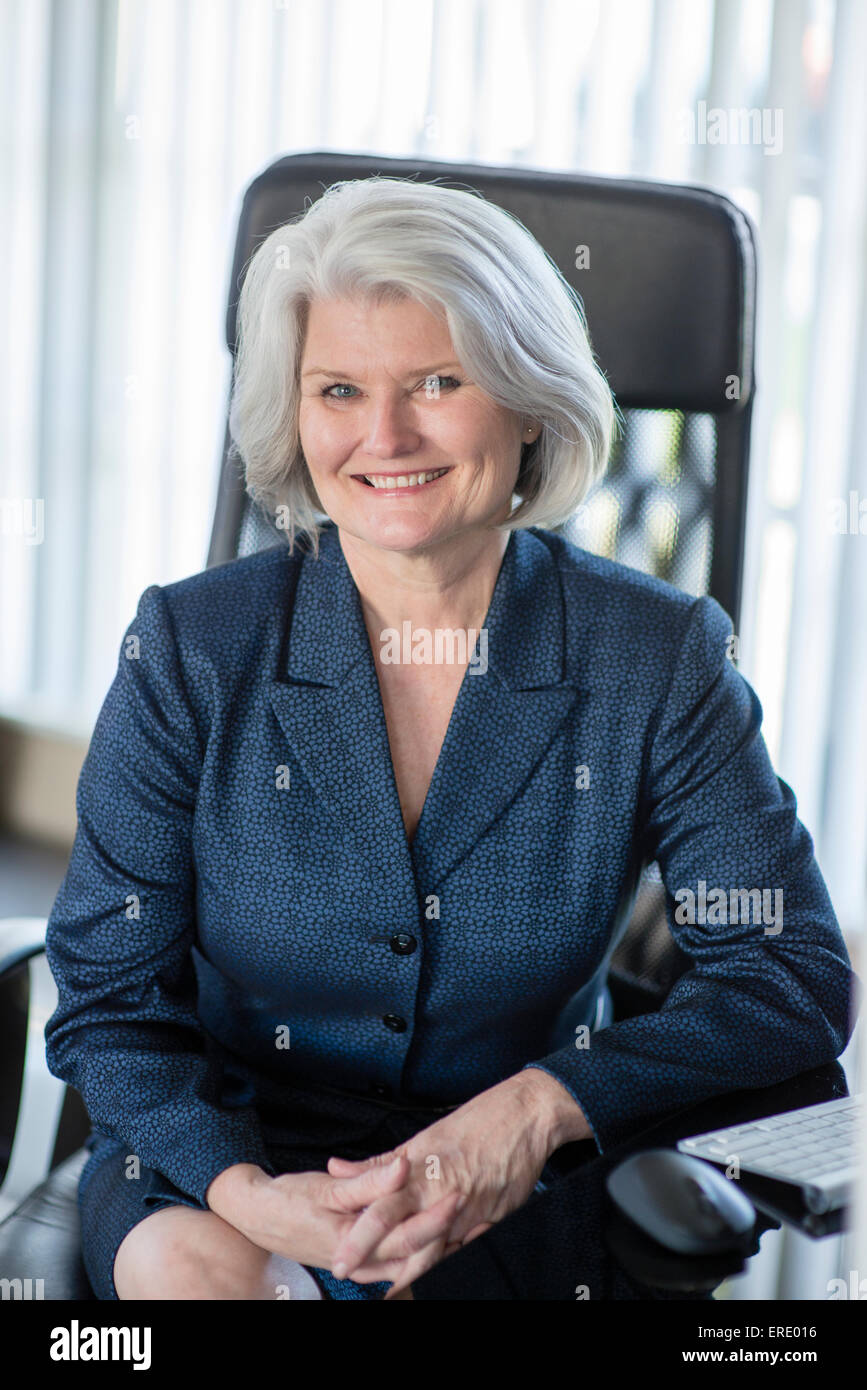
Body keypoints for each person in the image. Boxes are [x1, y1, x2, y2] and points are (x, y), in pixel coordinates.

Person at [44, 176, 855, 1301]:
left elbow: (790, 974)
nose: (384, 436)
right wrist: (245, 1189)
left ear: (527, 403)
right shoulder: (190, 647)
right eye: (339, 389)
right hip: (224, 1154)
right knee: (202, 1274)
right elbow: (108, 994)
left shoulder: (655, 656)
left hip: (521, 1171)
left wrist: (539, 1107)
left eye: (438, 381)